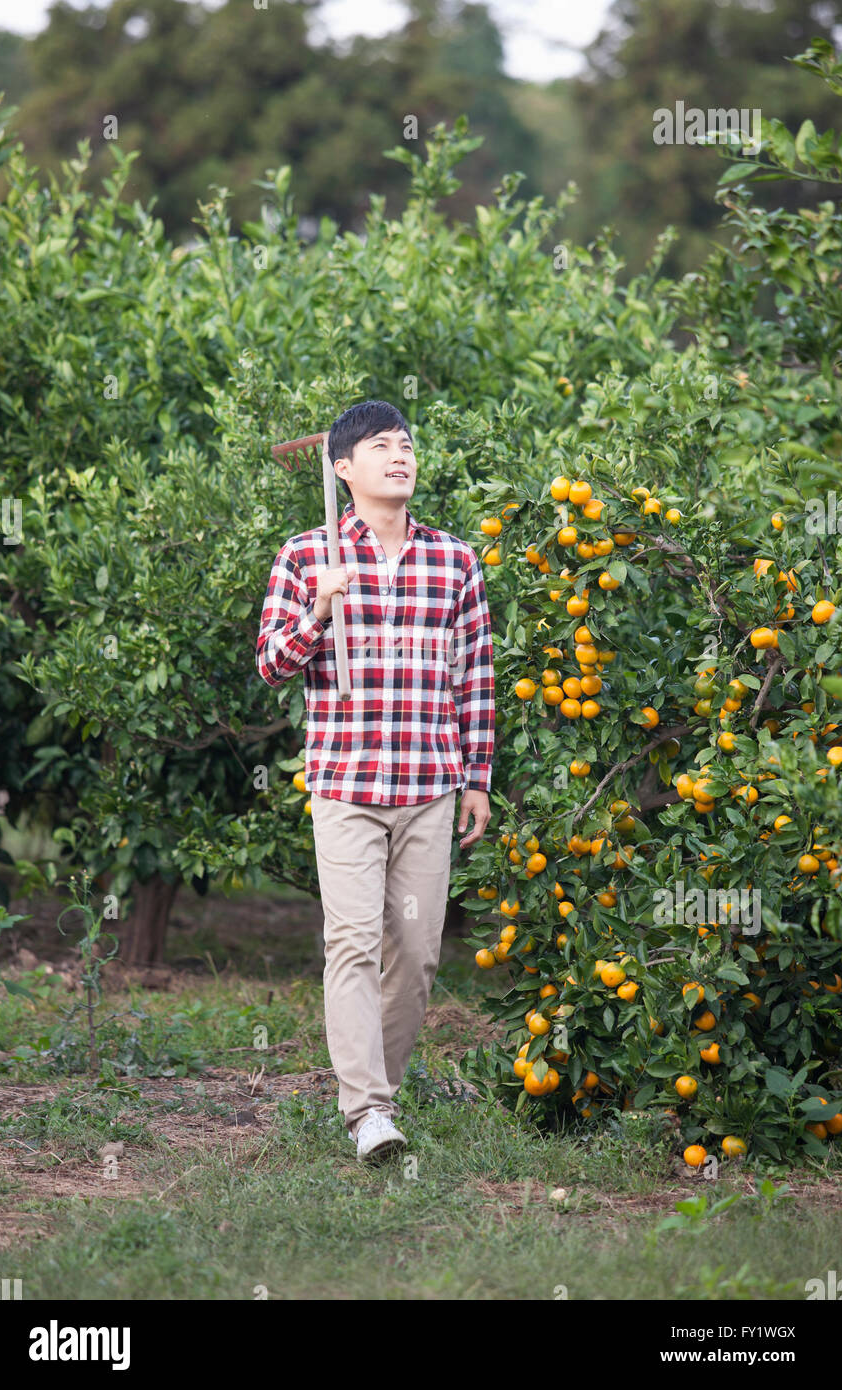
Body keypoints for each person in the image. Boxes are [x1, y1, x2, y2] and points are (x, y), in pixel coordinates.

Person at [255, 400, 495, 1162]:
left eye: (407, 445)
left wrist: (477, 777)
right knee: (352, 941)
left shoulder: (454, 560)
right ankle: (368, 1114)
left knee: (417, 955)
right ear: (342, 467)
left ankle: (374, 1095)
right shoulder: (305, 557)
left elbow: (475, 678)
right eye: (381, 446)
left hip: (429, 784)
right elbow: (271, 666)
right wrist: (321, 609)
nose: (401, 456)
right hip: (346, 785)